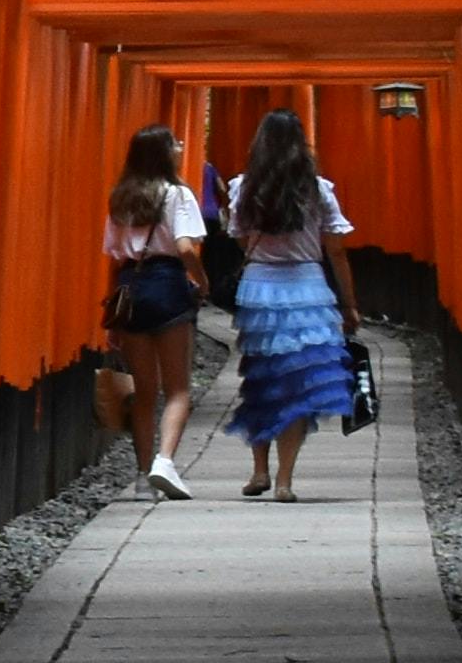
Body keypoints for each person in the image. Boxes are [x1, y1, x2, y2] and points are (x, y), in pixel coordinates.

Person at [218, 107, 358, 498]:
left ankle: (259, 471)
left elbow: (240, 237)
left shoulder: (244, 187)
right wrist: (349, 304)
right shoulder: (317, 189)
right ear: (301, 145)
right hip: (308, 287)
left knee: (262, 378)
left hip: (260, 286)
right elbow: (338, 251)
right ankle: (284, 480)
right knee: (297, 384)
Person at [98, 124, 208, 498]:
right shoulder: (178, 194)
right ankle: (165, 461)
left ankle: (144, 478)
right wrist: (203, 282)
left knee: (145, 392)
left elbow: (115, 257)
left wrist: (112, 314)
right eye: (175, 143)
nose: (180, 146)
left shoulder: (121, 198)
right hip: (167, 284)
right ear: (164, 154)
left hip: (130, 288)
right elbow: (186, 248)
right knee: (177, 388)